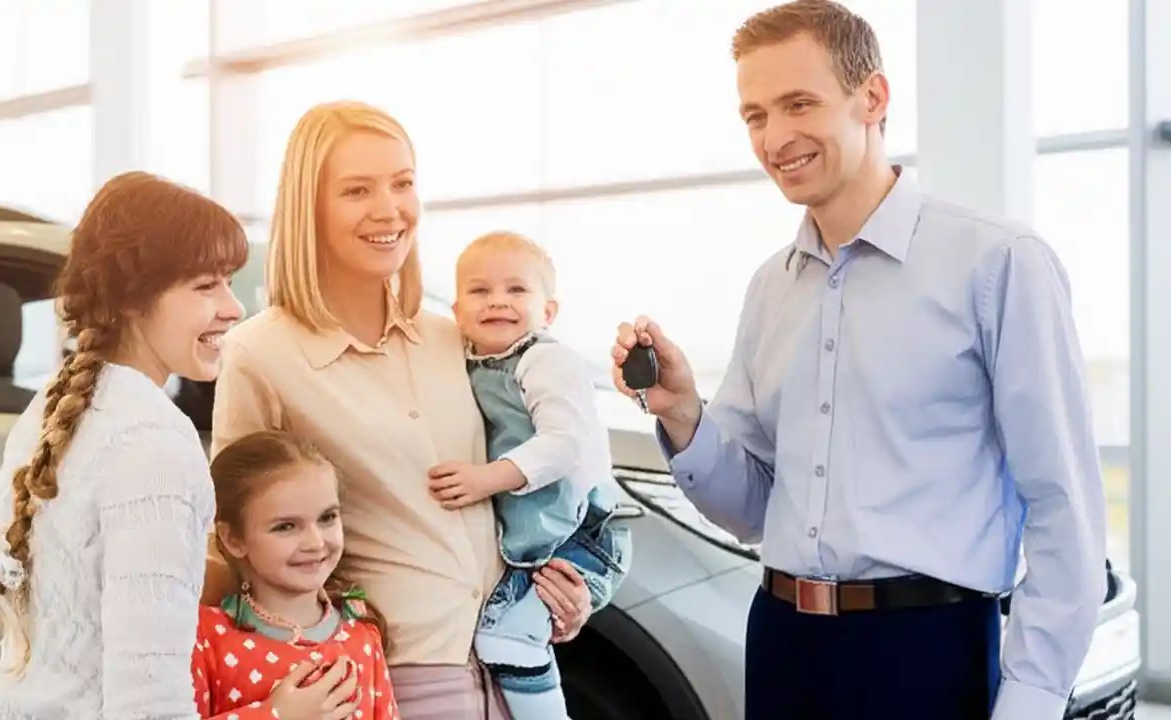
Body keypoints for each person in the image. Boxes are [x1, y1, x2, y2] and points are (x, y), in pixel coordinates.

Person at [611, 2, 1106, 719]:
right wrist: (685, 416)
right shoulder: (770, 288)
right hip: (782, 643)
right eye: (755, 115)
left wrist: (1032, 698)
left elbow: (1064, 507)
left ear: (871, 98)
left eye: (798, 104)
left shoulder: (999, 264)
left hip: (928, 653)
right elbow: (749, 509)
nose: (775, 137)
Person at [208, 100, 593, 720]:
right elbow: (231, 539)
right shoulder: (260, 353)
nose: (389, 210)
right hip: (389, 675)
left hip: (512, 663)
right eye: (357, 190)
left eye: (403, 183)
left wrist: (562, 593)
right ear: (311, 207)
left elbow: (523, 469)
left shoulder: (455, 338)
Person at [0, 171, 263, 717]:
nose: (233, 307)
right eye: (205, 286)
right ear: (132, 299)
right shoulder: (153, 442)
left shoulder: (53, 405)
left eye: (229, 282)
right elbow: (148, 702)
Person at [430, 231, 631, 719]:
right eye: (480, 291)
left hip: (581, 534)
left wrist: (486, 478)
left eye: (516, 290)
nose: (498, 300)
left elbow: (564, 443)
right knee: (501, 643)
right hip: (542, 534)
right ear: (457, 312)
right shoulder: (467, 359)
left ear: (548, 312)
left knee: (508, 639)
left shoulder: (544, 359)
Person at [192, 430, 397, 720]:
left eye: (327, 518)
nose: (315, 543)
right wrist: (275, 714)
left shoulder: (363, 635)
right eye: (286, 526)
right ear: (233, 539)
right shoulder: (204, 637)